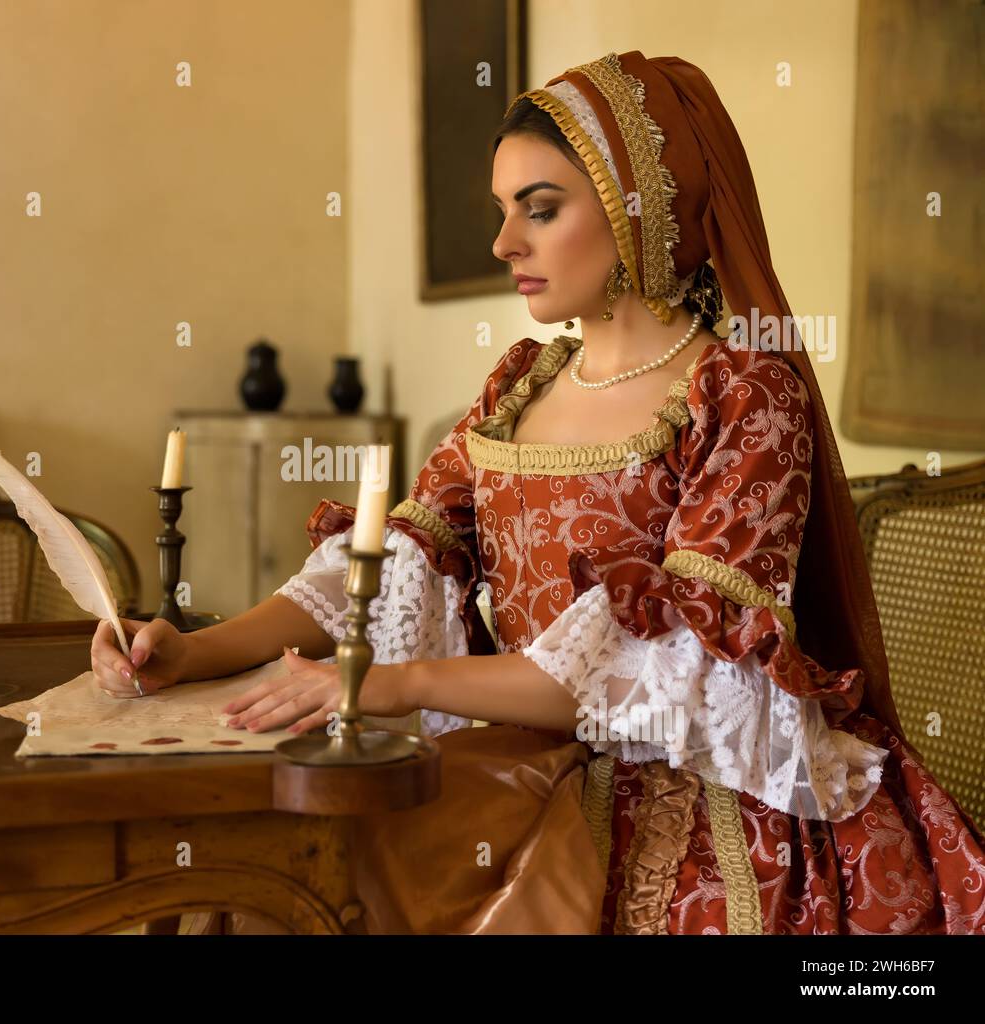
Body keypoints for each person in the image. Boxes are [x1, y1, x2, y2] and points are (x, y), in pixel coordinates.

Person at [92, 50, 985, 934]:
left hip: (686, 795)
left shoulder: (745, 394)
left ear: (644, 214)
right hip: (515, 769)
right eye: (501, 212)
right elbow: (383, 564)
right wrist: (193, 653)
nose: (504, 243)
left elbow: (670, 671)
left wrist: (395, 685)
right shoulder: (518, 384)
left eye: (541, 210)